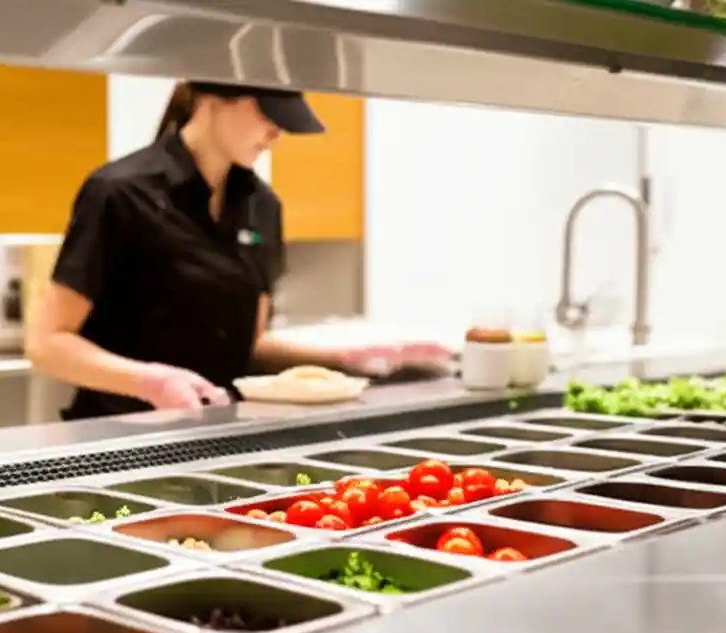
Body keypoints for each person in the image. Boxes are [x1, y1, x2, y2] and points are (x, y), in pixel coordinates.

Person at [28, 81, 439, 420]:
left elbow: (250, 345)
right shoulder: (119, 193)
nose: (277, 133)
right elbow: (49, 343)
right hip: (119, 433)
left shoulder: (263, 206)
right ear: (213, 97)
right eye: (269, 114)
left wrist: (347, 358)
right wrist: (150, 381)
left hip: (222, 432)